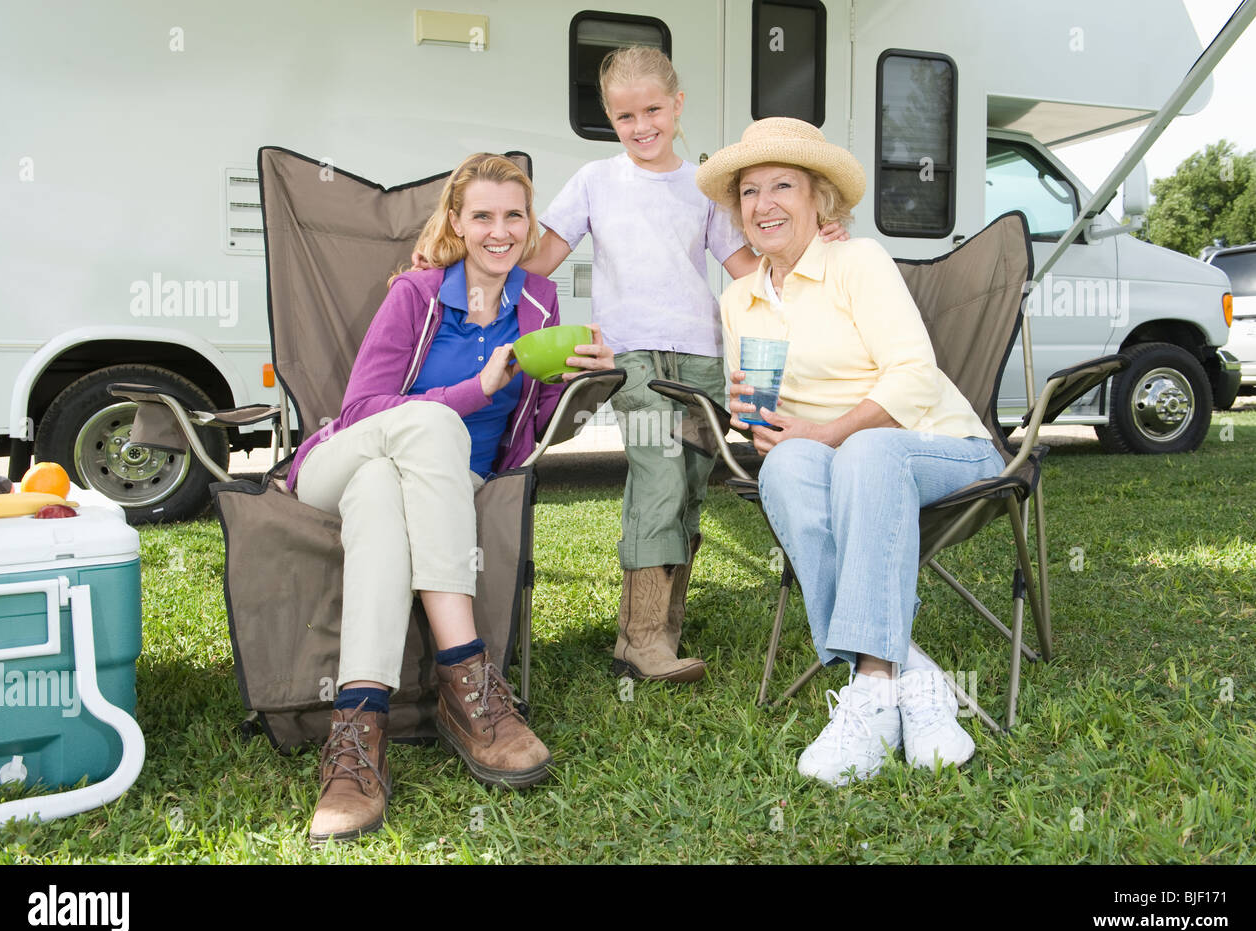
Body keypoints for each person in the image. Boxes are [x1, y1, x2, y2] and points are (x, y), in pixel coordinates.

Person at [286, 153, 614, 842]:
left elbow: (543, 419)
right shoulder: (416, 293)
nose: (501, 230)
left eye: (515, 215)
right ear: (458, 225)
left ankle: (357, 732)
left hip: (442, 483)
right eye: (484, 216)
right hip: (340, 462)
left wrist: (581, 381)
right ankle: (467, 680)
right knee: (421, 432)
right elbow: (359, 412)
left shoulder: (539, 302)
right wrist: (477, 389)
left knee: (382, 495)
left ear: (531, 223)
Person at [520, 46, 846, 684]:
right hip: (632, 357)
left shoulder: (703, 188)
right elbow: (540, 260)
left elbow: (749, 269)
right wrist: (469, 268)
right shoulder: (595, 181)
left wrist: (815, 246)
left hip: (704, 356)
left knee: (691, 485)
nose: (641, 127)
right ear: (608, 118)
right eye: (623, 116)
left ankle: (658, 630)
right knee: (661, 477)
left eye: (652, 110)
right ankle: (643, 640)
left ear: (677, 105)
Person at [695, 118, 1003, 785]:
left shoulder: (856, 262)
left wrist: (827, 433)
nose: (764, 203)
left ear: (818, 200)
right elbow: (769, 418)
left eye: (784, 185)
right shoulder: (737, 298)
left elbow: (914, 377)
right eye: (750, 190)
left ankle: (867, 688)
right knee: (784, 463)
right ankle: (913, 680)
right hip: (840, 463)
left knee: (863, 453)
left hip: (943, 446)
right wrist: (758, 419)